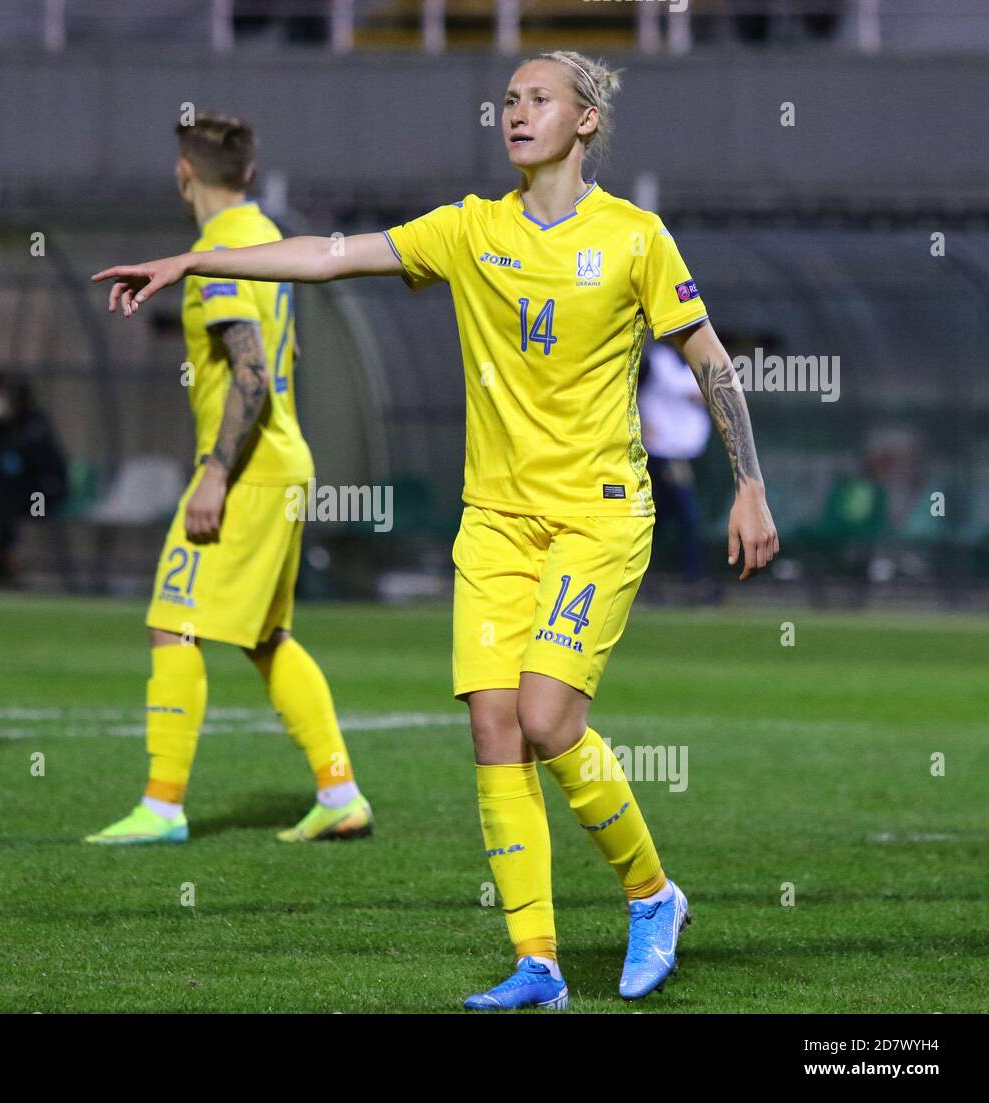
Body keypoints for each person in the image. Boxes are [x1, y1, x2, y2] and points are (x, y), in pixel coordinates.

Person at [92, 53, 779, 1006]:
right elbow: (331, 256)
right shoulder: (468, 229)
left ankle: (652, 893)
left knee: (547, 719)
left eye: (539, 99)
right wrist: (191, 258)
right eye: (507, 99)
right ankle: (537, 962)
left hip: (598, 517)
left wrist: (748, 482)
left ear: (585, 122)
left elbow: (709, 358)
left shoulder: (634, 238)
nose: (515, 112)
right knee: (495, 730)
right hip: (494, 525)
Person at [84, 113, 373, 847]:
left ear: (184, 172)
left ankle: (162, 804)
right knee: (266, 635)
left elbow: (251, 369)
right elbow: (289, 351)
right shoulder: (270, 234)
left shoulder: (215, 250)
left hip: (247, 467)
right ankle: (339, 792)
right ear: (246, 174)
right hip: (284, 460)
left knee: (170, 619)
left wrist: (215, 474)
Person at [0, 373, 68, 581]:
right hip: (15, 495)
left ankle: (20, 563)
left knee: (26, 509)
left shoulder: (35, 423)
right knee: (5, 504)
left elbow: (38, 461)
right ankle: (6, 564)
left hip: (44, 493)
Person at [639, 338, 711, 591]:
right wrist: (638, 419)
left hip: (686, 453)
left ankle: (644, 576)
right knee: (688, 516)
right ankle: (695, 578)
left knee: (659, 518)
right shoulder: (654, 359)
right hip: (663, 452)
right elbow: (625, 388)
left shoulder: (699, 359)